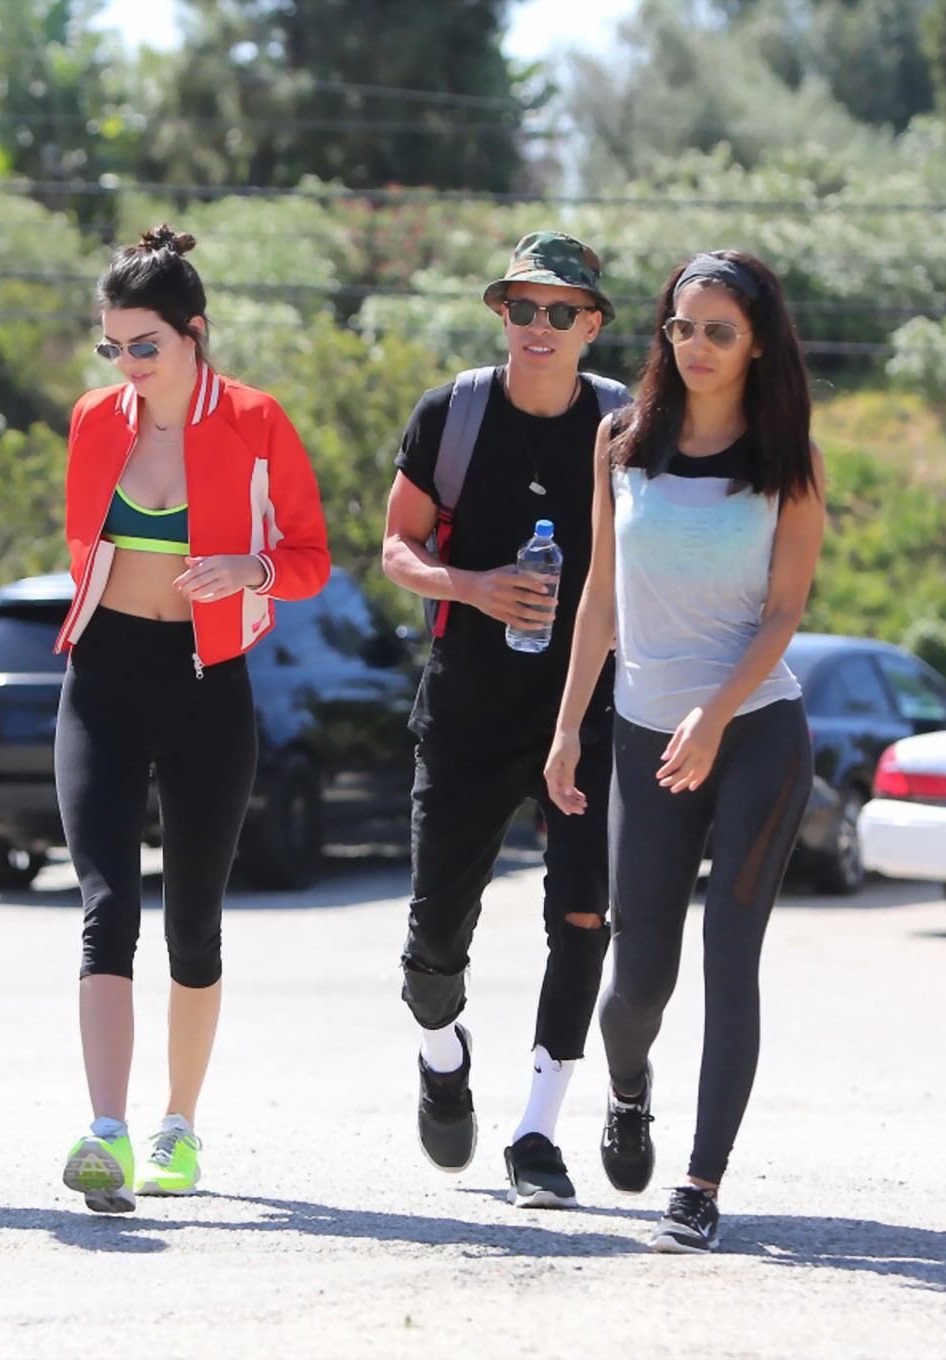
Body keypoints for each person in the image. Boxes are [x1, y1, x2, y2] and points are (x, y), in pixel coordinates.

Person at [545, 250, 824, 1253]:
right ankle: (629, 1088)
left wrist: (716, 712)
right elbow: (601, 597)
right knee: (636, 985)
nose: (694, 347)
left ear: (755, 343)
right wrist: (571, 723)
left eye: (717, 331)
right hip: (643, 732)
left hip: (754, 730)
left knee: (729, 955)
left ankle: (699, 1185)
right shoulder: (619, 441)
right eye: (679, 327)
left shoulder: (786, 455)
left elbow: (786, 608)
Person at [55, 226, 330, 1213]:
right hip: (103, 676)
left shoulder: (255, 421)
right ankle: (106, 1132)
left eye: (146, 345)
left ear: (194, 332)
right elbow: (86, 547)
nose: (127, 366)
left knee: (194, 920)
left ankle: (177, 1122)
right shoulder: (95, 421)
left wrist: (249, 568)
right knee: (104, 905)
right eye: (113, 347)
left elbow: (309, 556)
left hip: (210, 683)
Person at [382, 231, 627, 1208]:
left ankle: (535, 1132)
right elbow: (396, 547)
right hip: (469, 708)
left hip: (589, 712)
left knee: (581, 918)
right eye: (521, 308)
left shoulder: (625, 425)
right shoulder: (454, 413)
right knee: (434, 940)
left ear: (591, 325)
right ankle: (443, 1056)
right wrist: (472, 586)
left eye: (558, 311)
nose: (537, 326)